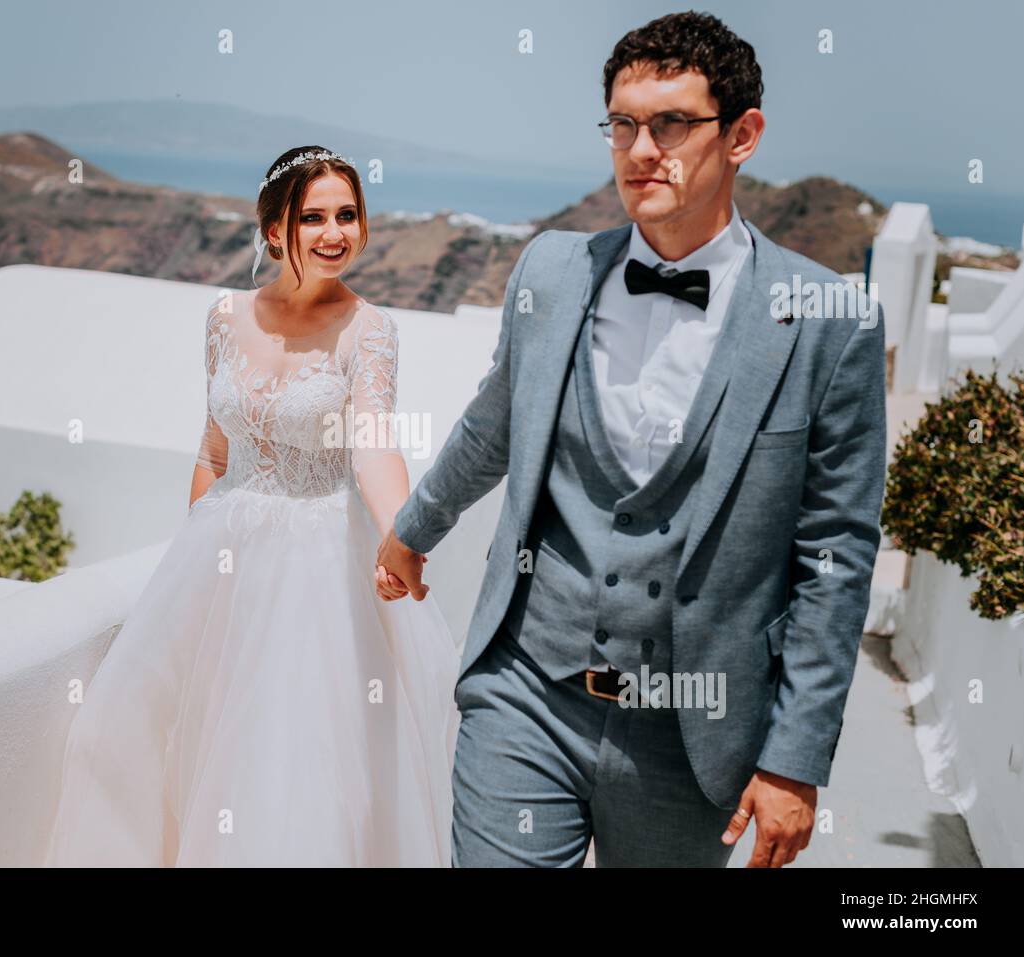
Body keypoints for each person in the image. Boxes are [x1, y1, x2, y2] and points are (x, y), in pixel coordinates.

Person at [377, 11, 888, 868]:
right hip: (525, 692)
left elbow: (834, 553)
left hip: (693, 740)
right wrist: (411, 529)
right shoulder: (550, 270)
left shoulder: (829, 321)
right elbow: (492, 424)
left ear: (743, 135)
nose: (641, 148)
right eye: (623, 123)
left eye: (672, 123)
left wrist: (794, 759)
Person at [45, 146, 461, 867]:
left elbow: (373, 446)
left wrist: (402, 532)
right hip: (220, 559)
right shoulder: (222, 318)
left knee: (293, 779)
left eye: (347, 215)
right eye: (313, 217)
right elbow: (212, 452)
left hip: (321, 573)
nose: (335, 233)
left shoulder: (371, 330)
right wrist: (192, 575)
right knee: (117, 732)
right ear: (275, 231)